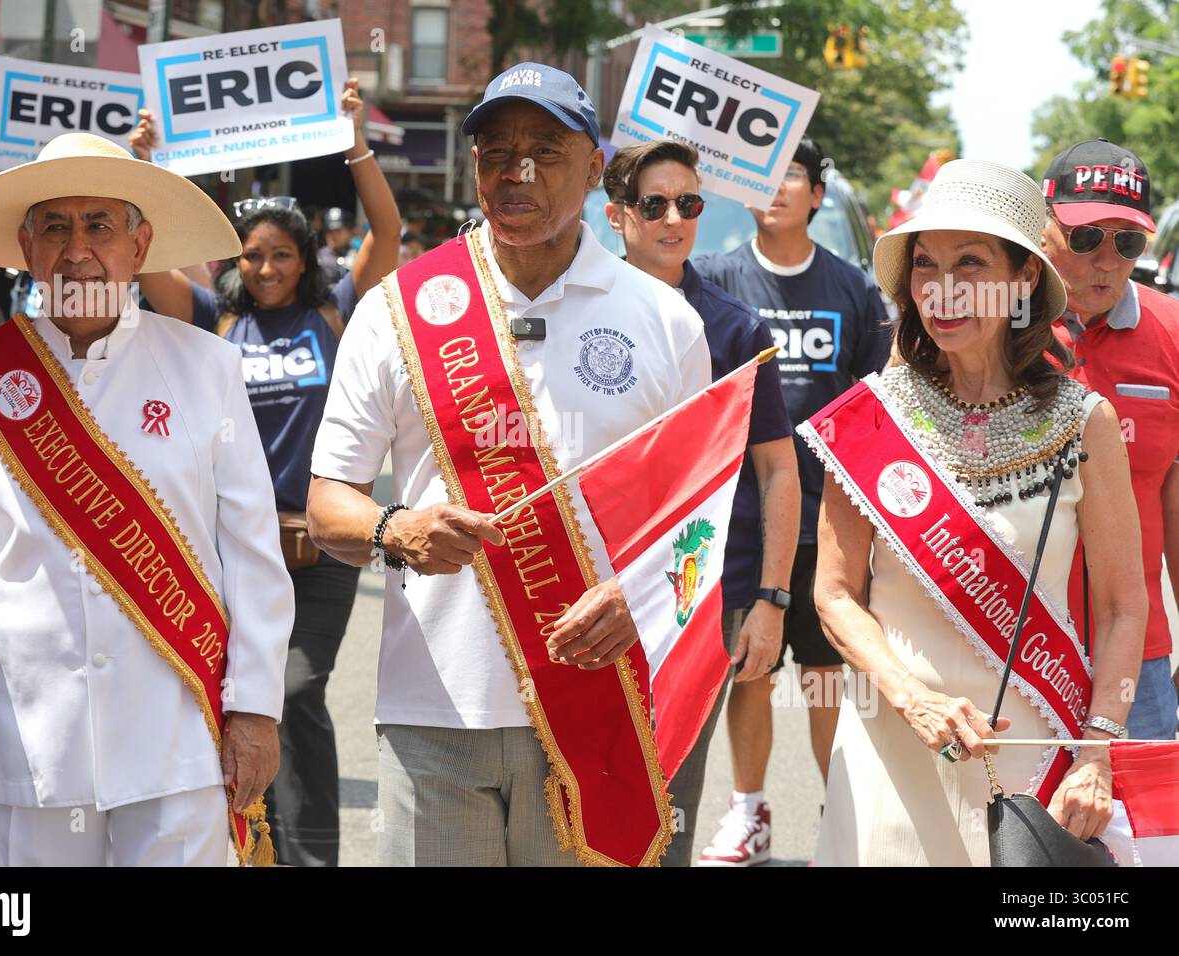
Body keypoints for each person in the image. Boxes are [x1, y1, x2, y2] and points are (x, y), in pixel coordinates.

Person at [307, 62, 711, 867]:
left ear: (596, 168)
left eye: (544, 151)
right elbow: (328, 504)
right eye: (496, 152)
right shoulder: (398, 311)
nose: (515, 173)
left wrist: (644, 601)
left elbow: (699, 519)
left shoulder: (665, 322)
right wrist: (398, 527)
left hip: (599, 705)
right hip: (432, 713)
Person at [0, 132, 294, 866]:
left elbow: (251, 550)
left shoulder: (206, 367)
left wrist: (254, 708)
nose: (77, 248)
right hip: (33, 748)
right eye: (55, 226)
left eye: (99, 225)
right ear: (26, 245)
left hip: (177, 743)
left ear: (139, 242)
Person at [807, 158, 1145, 865]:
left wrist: (1096, 753)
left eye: (972, 262)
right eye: (926, 264)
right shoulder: (870, 419)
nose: (943, 289)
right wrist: (909, 698)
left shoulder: (1086, 422)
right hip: (888, 752)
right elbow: (835, 594)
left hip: (1029, 761)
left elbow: (1121, 607)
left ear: (1025, 278)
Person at [131, 80, 399, 867]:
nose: (268, 267)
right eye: (253, 255)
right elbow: (149, 260)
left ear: (305, 258)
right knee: (233, 702)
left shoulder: (339, 311)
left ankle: (312, 855)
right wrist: (147, 164)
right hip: (227, 552)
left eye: (283, 254)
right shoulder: (211, 317)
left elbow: (384, 228)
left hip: (320, 548)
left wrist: (355, 138)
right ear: (234, 260)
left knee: (291, 692)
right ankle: (256, 851)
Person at [601, 139, 800, 866]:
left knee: (666, 808)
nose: (674, 218)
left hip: (700, 602)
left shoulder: (739, 330)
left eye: (689, 204)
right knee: (575, 794)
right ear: (617, 214)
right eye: (655, 204)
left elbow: (779, 472)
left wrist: (770, 602)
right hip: (590, 590)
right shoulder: (573, 310)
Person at [692, 138, 891, 864]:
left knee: (827, 678)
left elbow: (878, 408)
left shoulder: (854, 291)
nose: (777, 188)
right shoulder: (710, 278)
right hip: (739, 525)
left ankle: (840, 823)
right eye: (766, 176)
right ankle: (749, 813)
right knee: (750, 668)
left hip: (828, 524)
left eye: (794, 176)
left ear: (817, 193)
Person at [1041, 139, 1179, 741]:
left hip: (1137, 655)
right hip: (1001, 642)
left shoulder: (1171, 333)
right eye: (1085, 236)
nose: (1106, 260)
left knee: (1144, 836)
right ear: (1043, 227)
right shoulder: (991, 328)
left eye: (1126, 242)